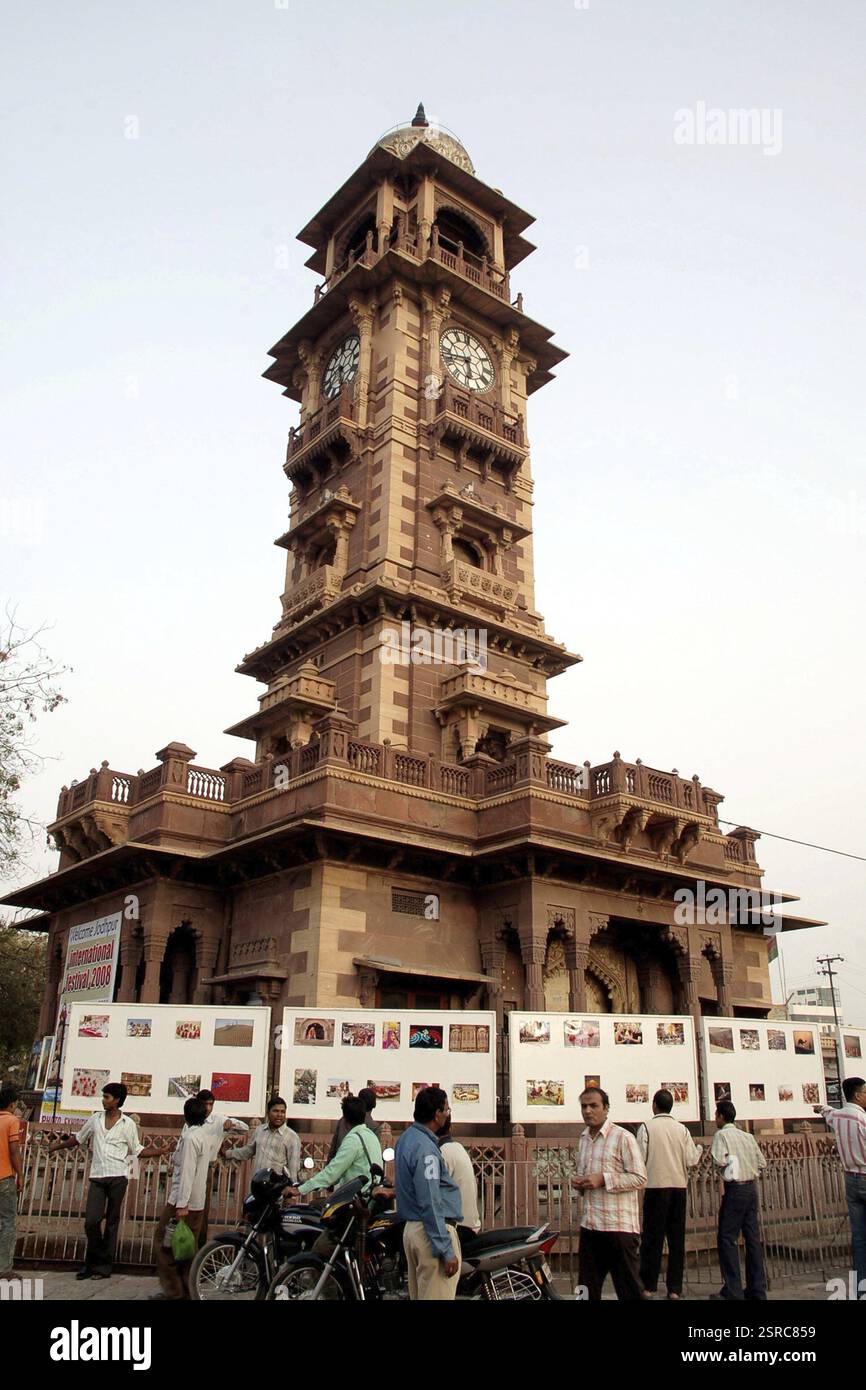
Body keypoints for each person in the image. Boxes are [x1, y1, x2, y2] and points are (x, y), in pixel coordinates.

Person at [48, 1081, 143, 1280]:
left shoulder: (128, 1124)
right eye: (103, 1096)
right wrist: (58, 1146)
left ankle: (103, 1266)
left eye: (107, 1097)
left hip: (118, 1175)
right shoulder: (95, 1119)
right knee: (92, 1221)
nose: (103, 1100)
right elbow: (79, 1138)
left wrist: (157, 1153)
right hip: (98, 1176)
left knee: (112, 1222)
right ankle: (92, 1261)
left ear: (116, 1100)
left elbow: (136, 1150)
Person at [572, 1086, 647, 1301]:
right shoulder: (584, 1138)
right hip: (591, 1226)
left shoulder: (623, 1137)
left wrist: (604, 1179)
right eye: (584, 1106)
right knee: (585, 1291)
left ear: (606, 1108)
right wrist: (580, 1183)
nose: (588, 1111)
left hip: (619, 1228)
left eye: (594, 1106)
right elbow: (584, 1174)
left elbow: (640, 1178)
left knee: (630, 1291)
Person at [395, 1086, 462, 1300]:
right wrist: (445, 1248)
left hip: (413, 1229)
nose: (448, 1114)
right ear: (437, 1114)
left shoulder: (407, 1139)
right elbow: (430, 1200)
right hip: (430, 1233)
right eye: (447, 1110)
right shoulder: (427, 1149)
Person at [638, 1088, 701, 1299]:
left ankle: (648, 1286)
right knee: (676, 1240)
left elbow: (640, 1158)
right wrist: (699, 1150)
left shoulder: (646, 1127)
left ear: (654, 1105)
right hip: (678, 1188)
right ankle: (674, 1289)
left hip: (655, 1187)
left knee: (651, 1240)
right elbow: (692, 1160)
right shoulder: (682, 1130)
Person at [152, 1095, 210, 1300]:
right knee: (186, 1248)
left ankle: (175, 1292)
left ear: (185, 1116)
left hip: (183, 1201)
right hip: (197, 1201)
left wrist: (181, 1205)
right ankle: (186, 1291)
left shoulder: (191, 1137)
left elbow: (187, 1171)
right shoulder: (202, 1135)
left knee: (164, 1244)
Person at [710, 1100, 767, 1301]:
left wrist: (729, 1168)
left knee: (727, 1238)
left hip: (735, 1189)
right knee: (752, 1239)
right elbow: (762, 1163)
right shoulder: (747, 1136)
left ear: (720, 1116)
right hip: (751, 1188)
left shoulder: (721, 1135)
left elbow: (719, 1159)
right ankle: (757, 1289)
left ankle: (733, 1290)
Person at [816, 1076, 866, 1290]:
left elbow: (827, 1112)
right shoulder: (862, 1120)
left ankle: (860, 1289)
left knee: (859, 1238)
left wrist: (819, 1107)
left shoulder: (838, 1116)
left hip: (850, 1178)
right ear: (857, 1095)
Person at [285, 1094, 383, 1200]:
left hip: (358, 1200)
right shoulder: (370, 1135)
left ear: (344, 1118)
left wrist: (300, 1189)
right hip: (370, 1195)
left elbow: (332, 1172)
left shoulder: (354, 1140)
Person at [194, 1089, 248, 1247]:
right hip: (189, 1167)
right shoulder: (191, 1120)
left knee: (201, 1210)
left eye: (210, 1104)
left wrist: (231, 1124)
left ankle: (199, 1246)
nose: (208, 1108)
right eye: (205, 1105)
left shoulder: (217, 1120)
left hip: (206, 1168)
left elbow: (243, 1128)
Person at [222, 1096, 300, 1185]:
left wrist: (291, 1190)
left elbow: (293, 1168)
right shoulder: (259, 1130)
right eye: (275, 1111)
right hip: (257, 1185)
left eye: (282, 1112)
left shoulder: (292, 1137)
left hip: (276, 1188)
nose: (279, 1115)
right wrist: (227, 1153)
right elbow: (247, 1152)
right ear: (268, 1113)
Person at [438, 1112, 481, 1245]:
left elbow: (429, 1191)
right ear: (450, 1128)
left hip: (457, 1228)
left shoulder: (442, 1153)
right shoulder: (457, 1148)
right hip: (470, 1224)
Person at [0, 1085, 24, 1278]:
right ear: (12, 1104)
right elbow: (14, 1150)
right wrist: (21, 1174)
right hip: (4, 1178)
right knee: (7, 1222)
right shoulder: (11, 1120)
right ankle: (4, 1268)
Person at [326, 1085, 380, 1162]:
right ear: (374, 1105)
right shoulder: (374, 1126)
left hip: (338, 1164)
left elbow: (333, 1148)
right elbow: (373, 1153)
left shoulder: (344, 1119)